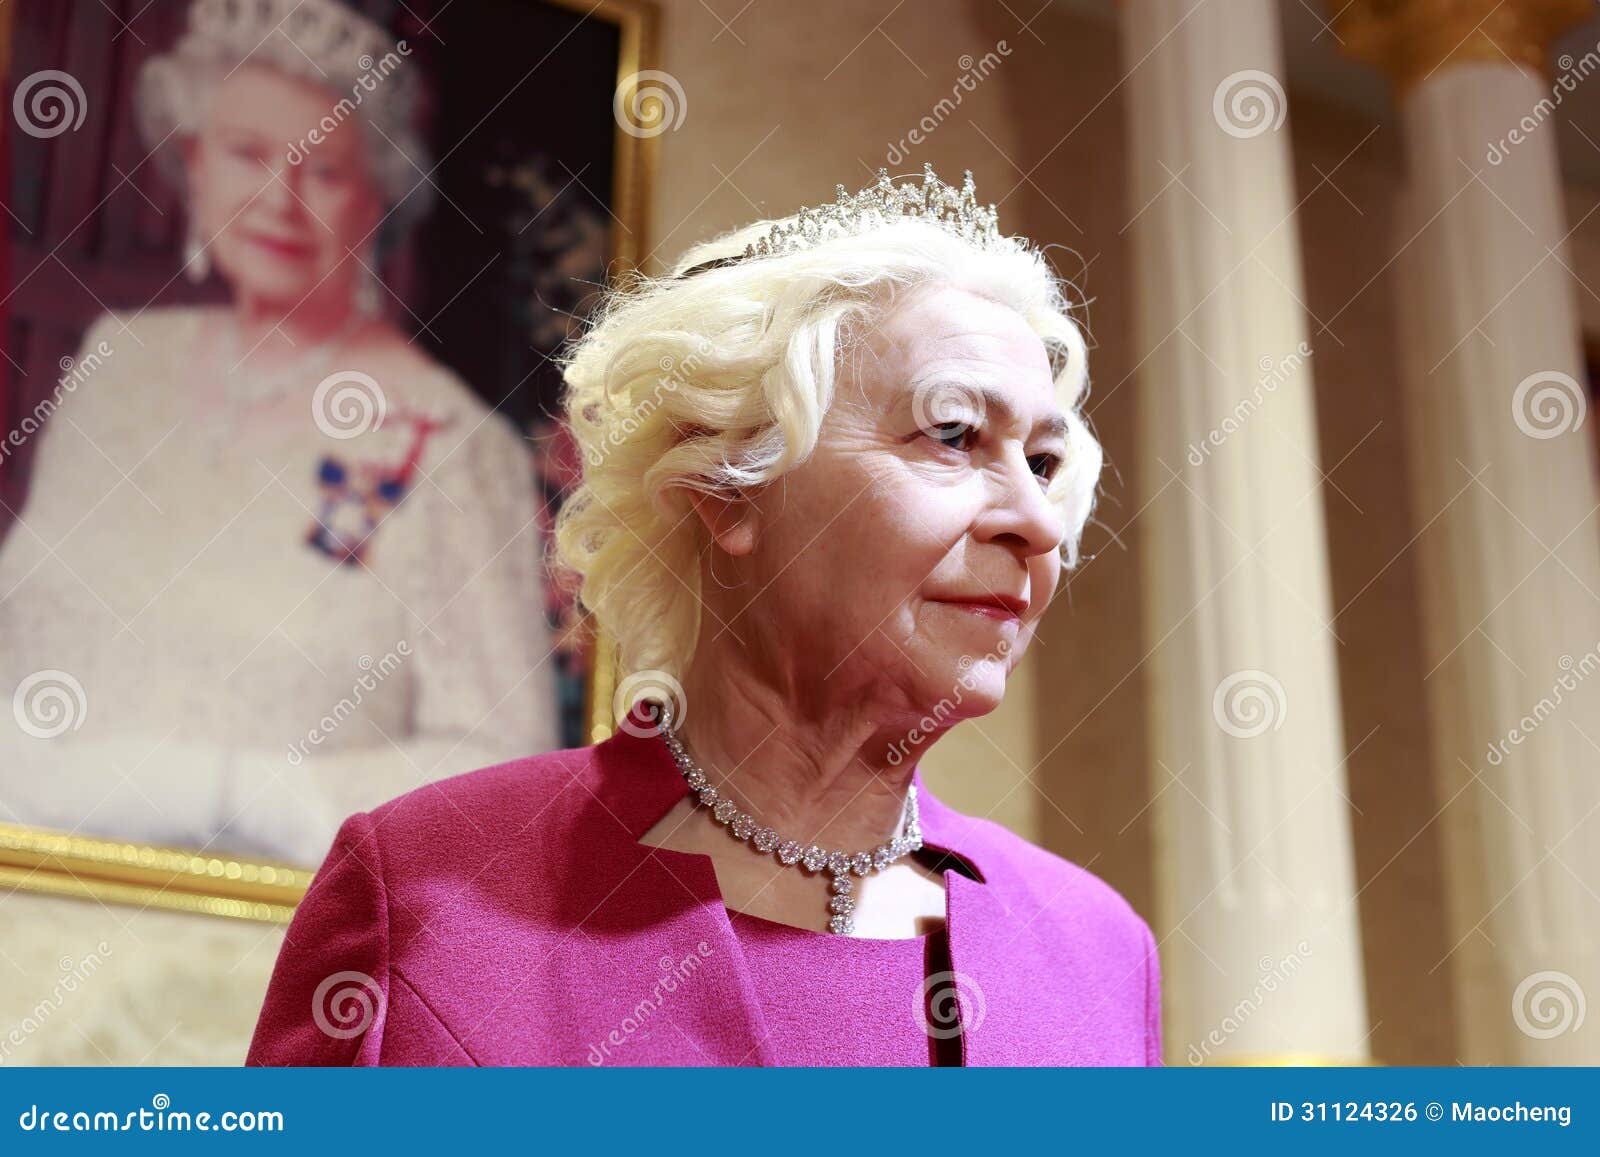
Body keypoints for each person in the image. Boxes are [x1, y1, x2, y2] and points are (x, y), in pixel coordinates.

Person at [245, 164, 1162, 1065]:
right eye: (954, 434)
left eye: (1043, 463)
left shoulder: (1102, 950)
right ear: (727, 488)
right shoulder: (424, 893)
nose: (1040, 521)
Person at [0, 0, 558, 868]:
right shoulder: (118, 362)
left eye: (324, 170)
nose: (279, 201)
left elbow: (505, 775)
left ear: (379, 192)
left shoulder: (453, 446)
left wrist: (235, 795)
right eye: (247, 154)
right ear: (194, 164)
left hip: (268, 948)